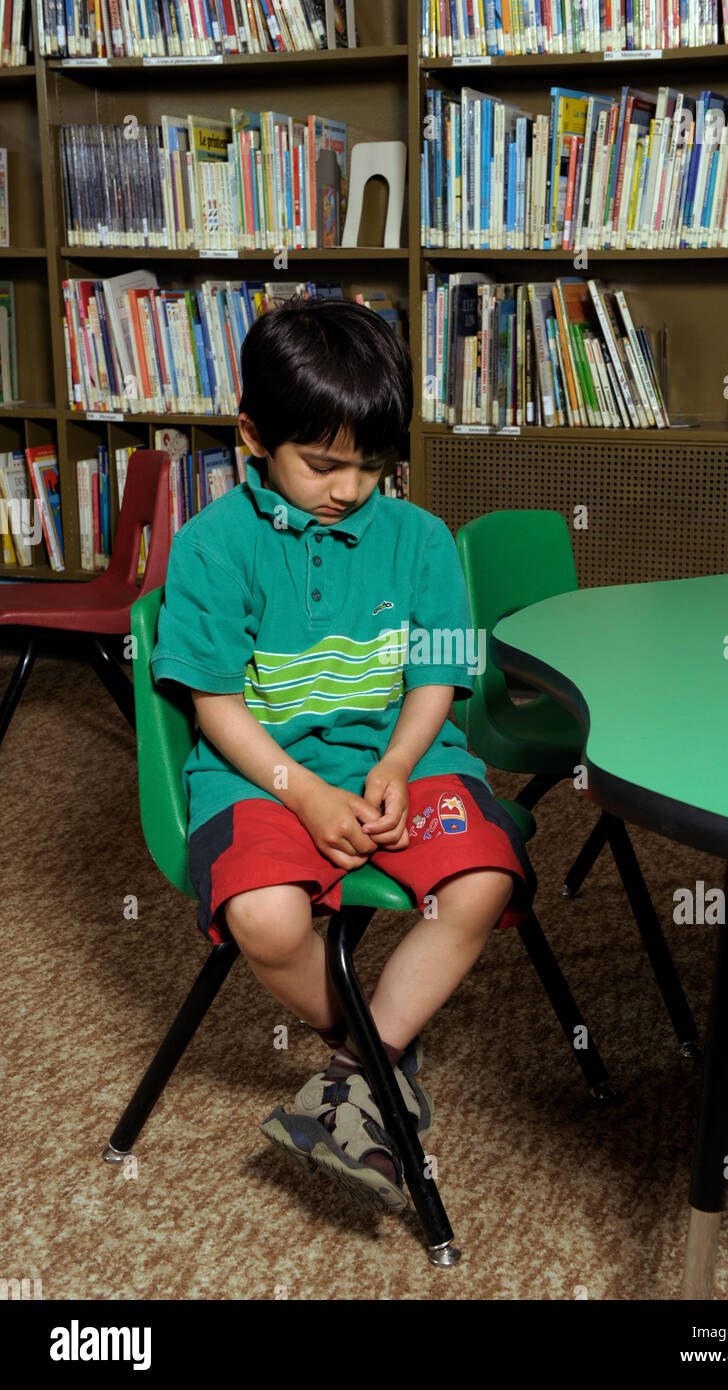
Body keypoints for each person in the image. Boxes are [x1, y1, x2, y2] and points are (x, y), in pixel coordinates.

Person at [151, 297, 536, 1212]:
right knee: (268, 921)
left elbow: (434, 680)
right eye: (321, 465)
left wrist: (400, 764)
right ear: (251, 435)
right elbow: (212, 703)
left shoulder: (423, 540)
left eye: (372, 466)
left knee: (483, 878)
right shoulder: (212, 547)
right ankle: (379, 1051)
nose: (349, 489)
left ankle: (352, 1074)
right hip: (256, 771)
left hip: (407, 759)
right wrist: (304, 792)